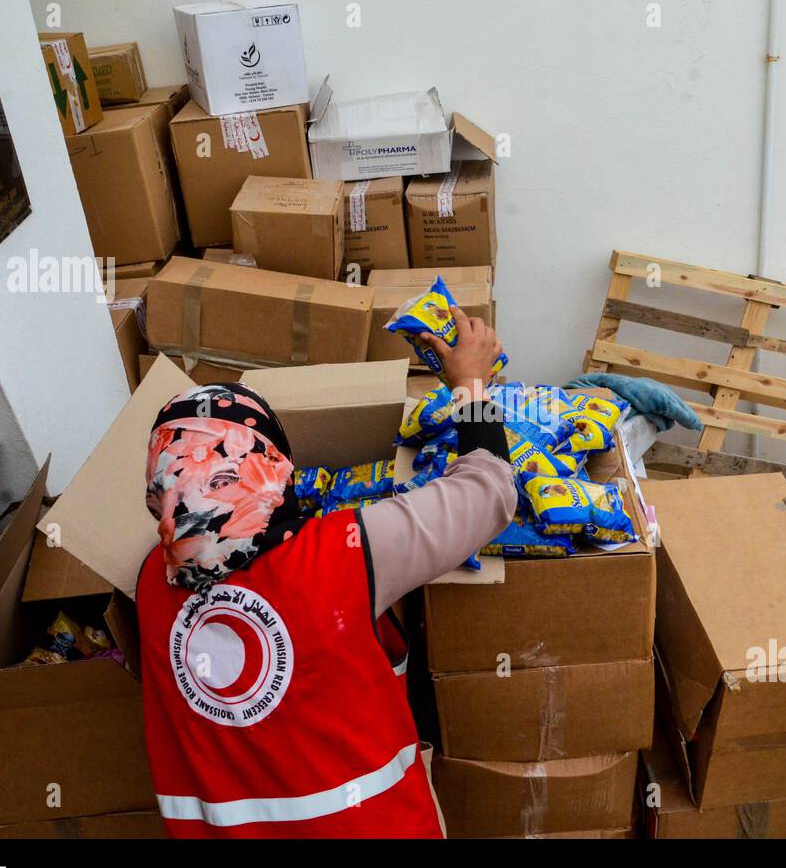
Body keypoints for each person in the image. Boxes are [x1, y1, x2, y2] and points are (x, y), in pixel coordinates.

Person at [136, 309, 515, 838]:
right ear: (274, 470)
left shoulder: (151, 585)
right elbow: (488, 493)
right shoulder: (344, 555)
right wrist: (472, 385)